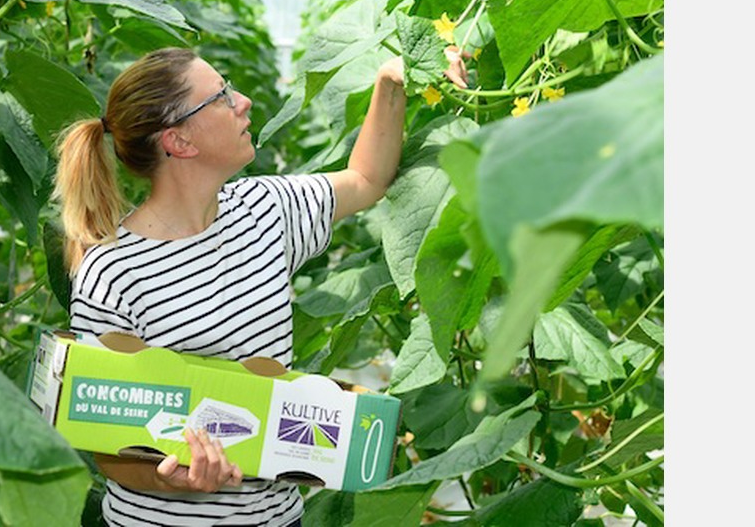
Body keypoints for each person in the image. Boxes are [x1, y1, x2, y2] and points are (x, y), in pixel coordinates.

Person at [54, 46, 468, 526]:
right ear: (179, 141)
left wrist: (390, 82)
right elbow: (103, 434)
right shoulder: (113, 270)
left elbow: (366, 178)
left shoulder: (263, 209)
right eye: (222, 97)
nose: (244, 101)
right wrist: (171, 478)